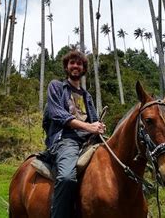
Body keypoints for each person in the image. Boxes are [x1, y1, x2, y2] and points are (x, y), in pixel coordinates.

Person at [42, 50, 106, 218]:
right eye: (72, 63)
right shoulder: (56, 86)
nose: (75, 66)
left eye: (79, 63)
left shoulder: (87, 96)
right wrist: (89, 127)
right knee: (66, 178)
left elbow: (93, 121)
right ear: (66, 66)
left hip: (89, 140)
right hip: (66, 139)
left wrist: (98, 127)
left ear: (84, 68)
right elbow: (57, 115)